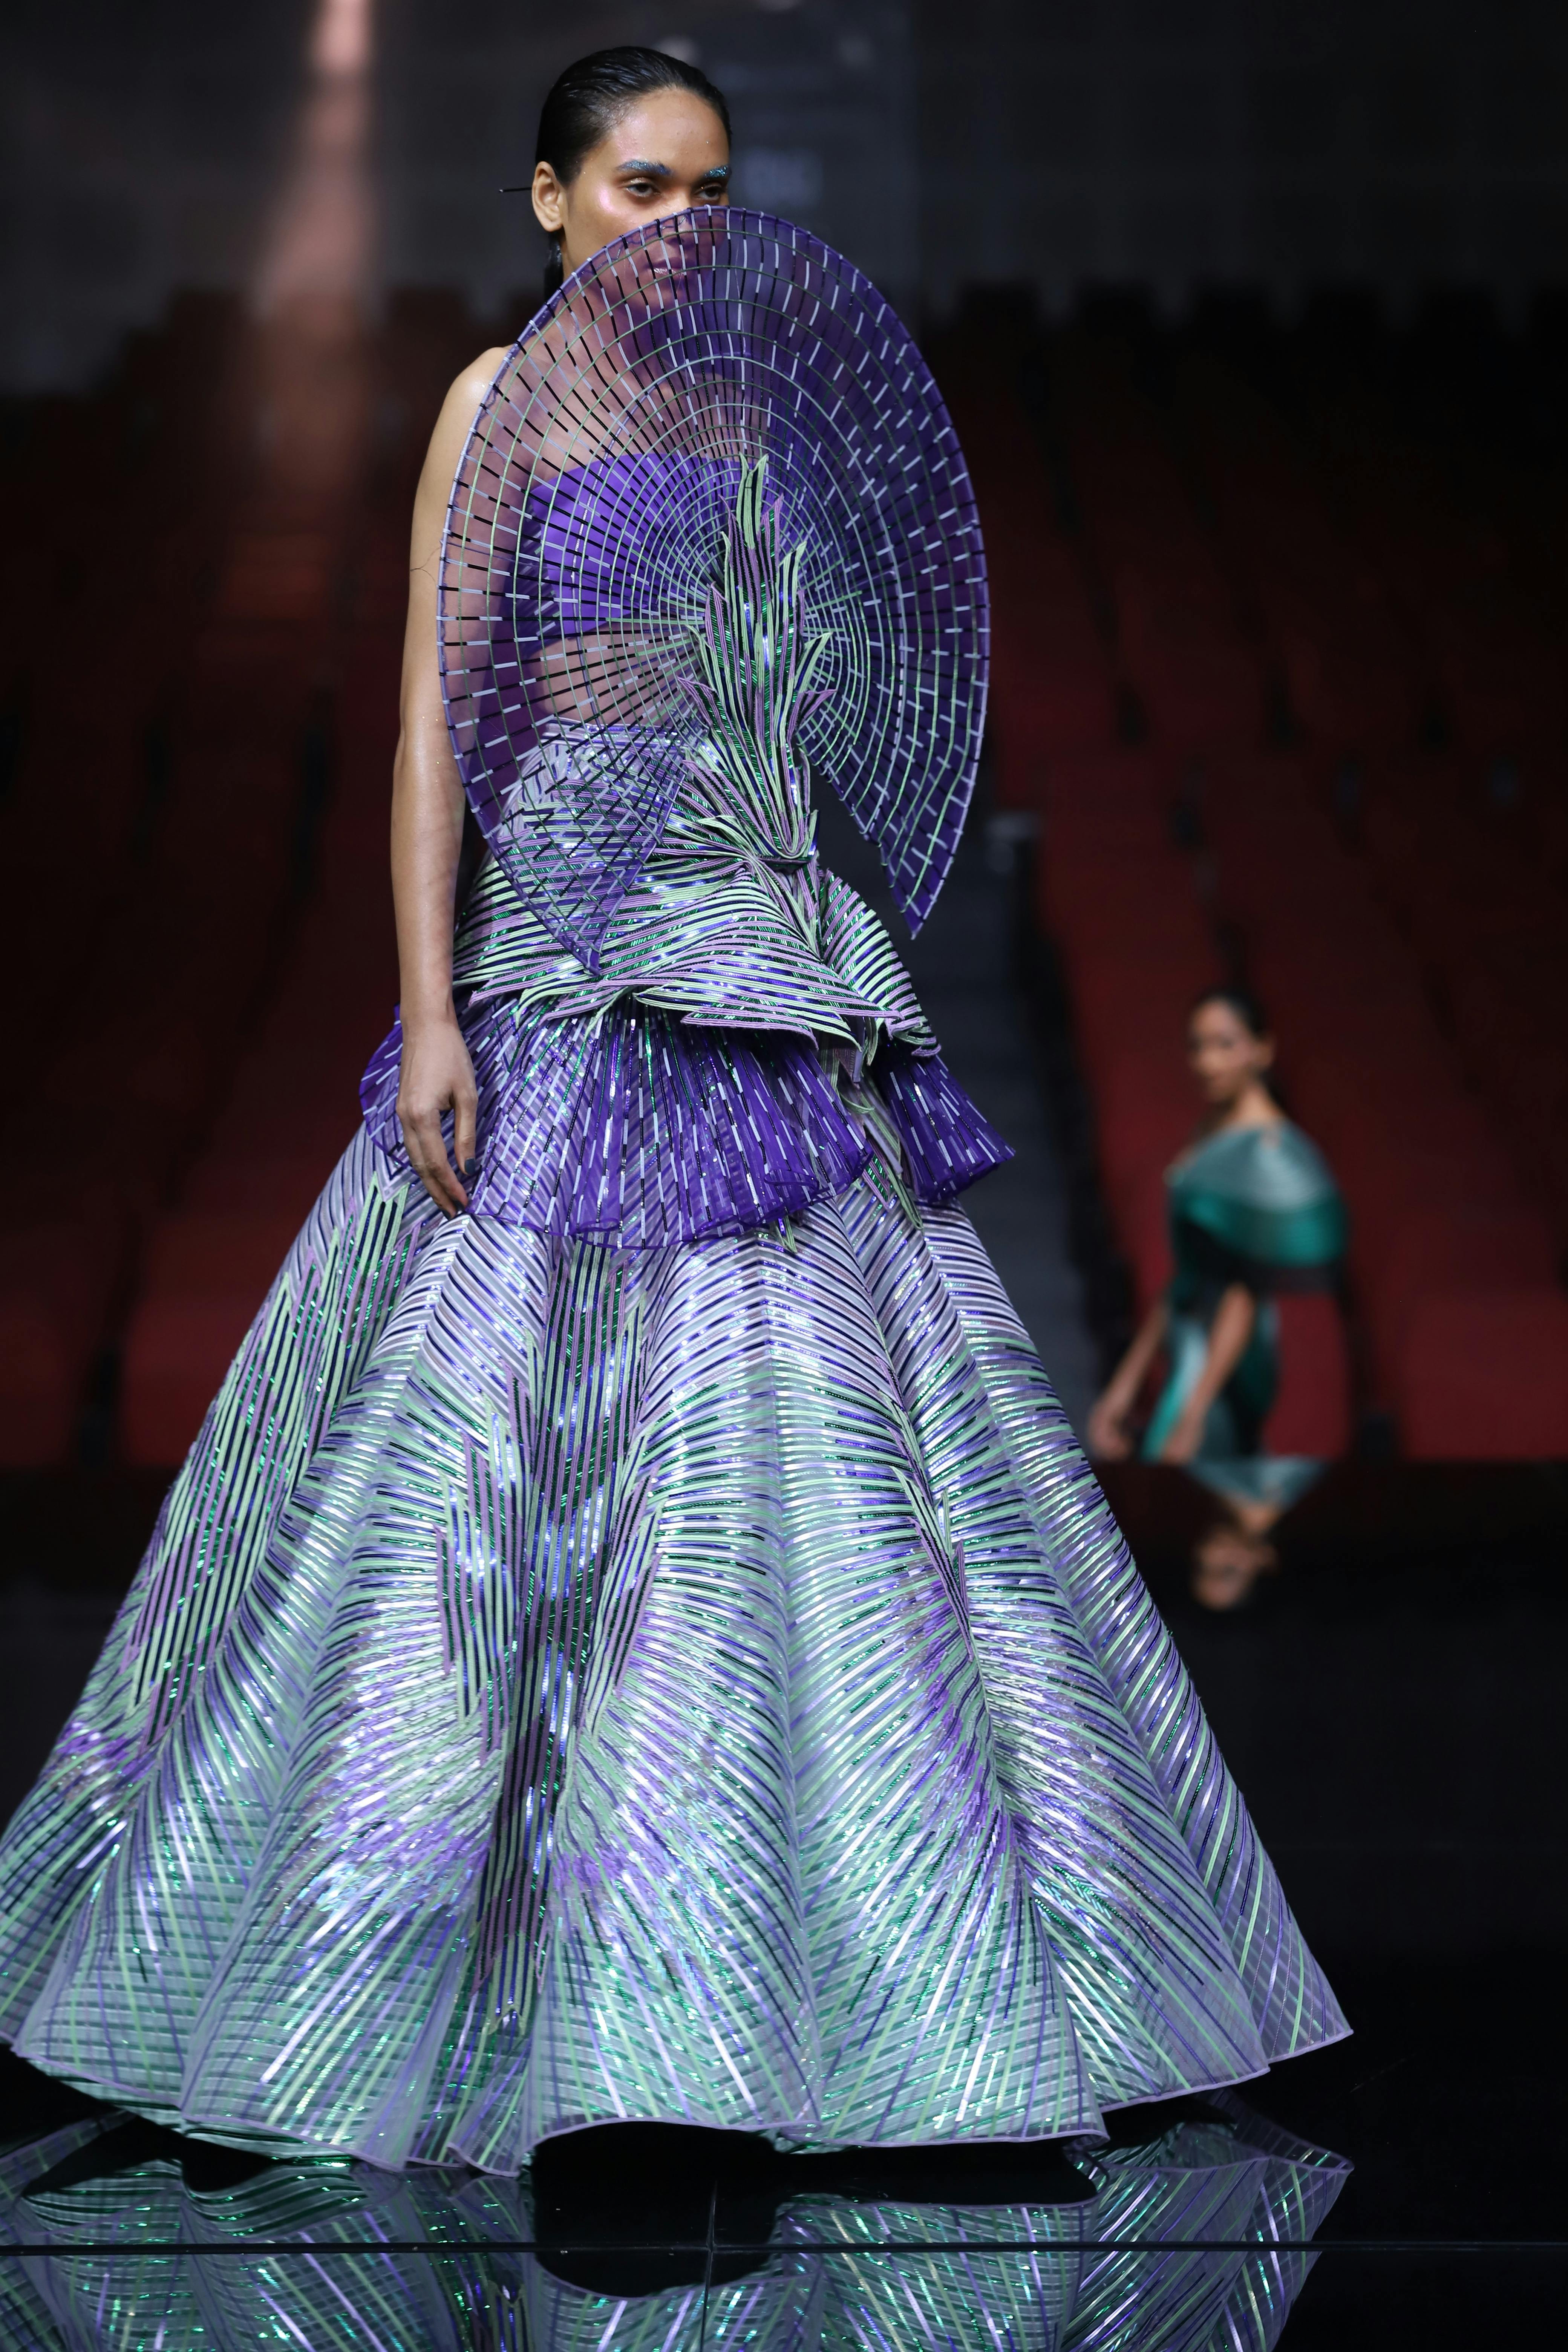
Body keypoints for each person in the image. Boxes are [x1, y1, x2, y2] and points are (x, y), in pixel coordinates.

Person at [0, 50, 1345, 2175]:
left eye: (712, 188)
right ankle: (464, 1989)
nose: (682, 223)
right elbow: (436, 736)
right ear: (550, 196)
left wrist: (820, 923)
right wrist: (430, 1007)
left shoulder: (762, 422)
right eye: (641, 184)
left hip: (765, 937)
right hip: (566, 951)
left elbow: (786, 702)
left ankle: (850, 1987)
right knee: (486, 1477)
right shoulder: (486, 403)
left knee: (824, 1478)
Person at [1087, 988, 1348, 1610]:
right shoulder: (1219, 1126)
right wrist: (1125, 1387)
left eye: (1225, 1045)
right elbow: (1188, 1277)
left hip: (1225, 1356)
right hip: (1192, 1338)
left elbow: (1242, 1295)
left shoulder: (1267, 1151)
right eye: (1200, 1046)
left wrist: (1194, 1409)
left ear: (1262, 1051)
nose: (1207, 1062)